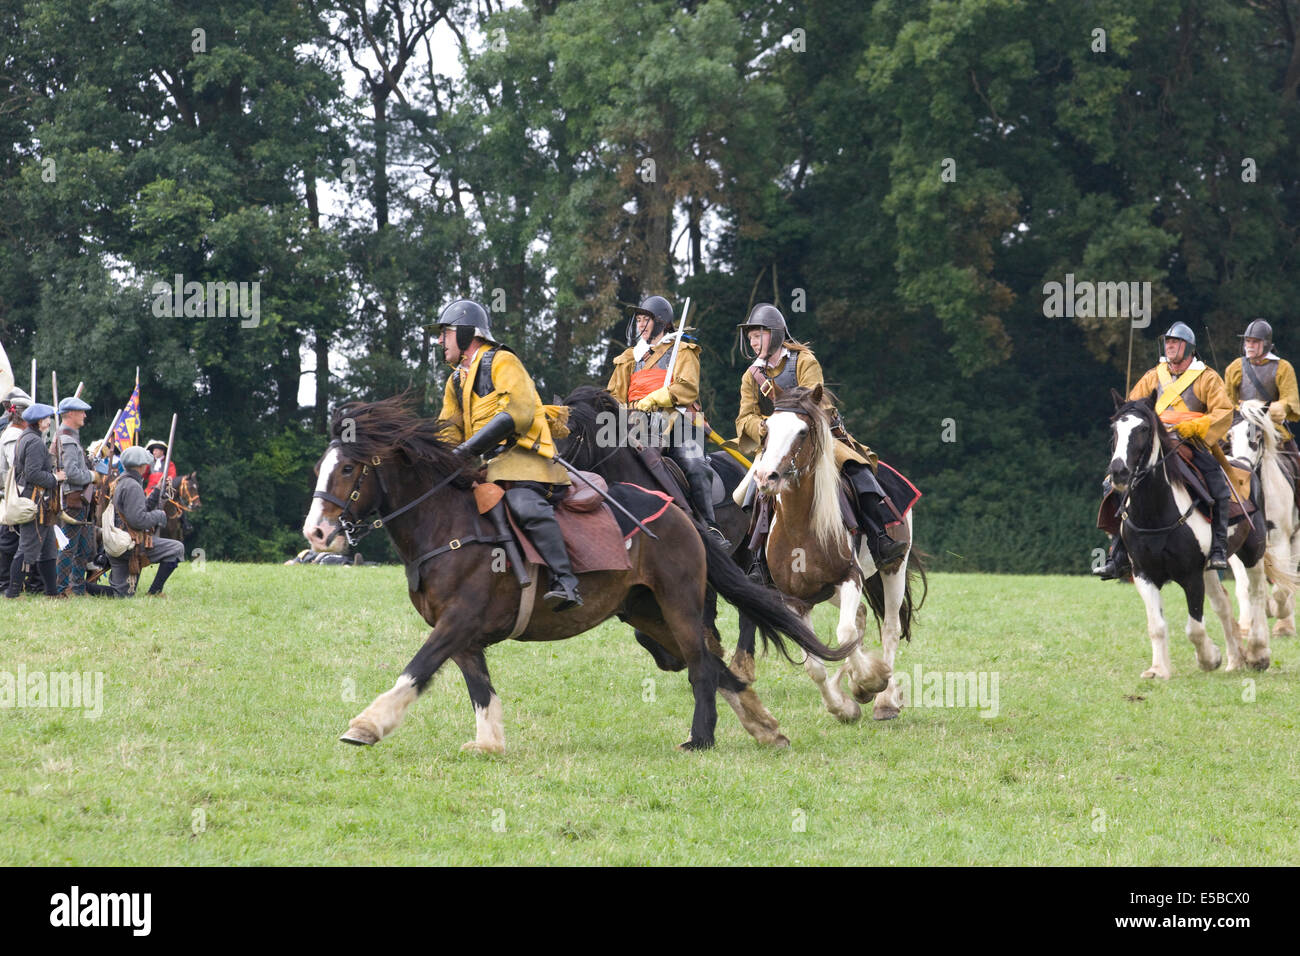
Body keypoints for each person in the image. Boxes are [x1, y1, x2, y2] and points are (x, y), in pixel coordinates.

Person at [431, 298, 582, 610]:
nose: (439, 341)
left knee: (523, 504)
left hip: (530, 465)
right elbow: (448, 430)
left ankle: (566, 581)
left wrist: (466, 450)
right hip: (492, 468)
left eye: (444, 333)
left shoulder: (502, 361)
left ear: (464, 334)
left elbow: (519, 412)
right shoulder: (456, 380)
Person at [735, 303, 908, 568]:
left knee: (856, 468)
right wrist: (766, 428)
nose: (753, 342)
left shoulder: (804, 361)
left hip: (817, 437)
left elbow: (816, 405)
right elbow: (744, 419)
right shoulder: (751, 376)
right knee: (748, 495)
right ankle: (759, 562)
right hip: (775, 446)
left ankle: (879, 538)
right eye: (751, 338)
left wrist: (789, 424)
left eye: (758, 335)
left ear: (776, 334)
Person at [1095, 321, 1234, 579]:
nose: (1169, 346)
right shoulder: (1153, 375)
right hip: (1154, 441)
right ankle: (1118, 554)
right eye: (1167, 342)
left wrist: (1197, 426)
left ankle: (1218, 547)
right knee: (1111, 484)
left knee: (1218, 484)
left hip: (1191, 440)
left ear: (1188, 347)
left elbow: (1224, 412)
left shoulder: (1207, 377)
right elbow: (1133, 407)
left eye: (1175, 342)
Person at [606, 294, 730, 548]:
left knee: (695, 466)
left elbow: (688, 388)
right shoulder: (628, 358)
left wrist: (657, 397)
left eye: (645, 320)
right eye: (638, 320)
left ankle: (710, 527)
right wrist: (623, 412)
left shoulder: (683, 351)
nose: (640, 325)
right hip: (635, 425)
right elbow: (613, 396)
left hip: (679, 422)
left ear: (661, 323)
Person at [4, 403, 66, 598]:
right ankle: (13, 592)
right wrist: (56, 478)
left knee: (48, 550)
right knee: (27, 549)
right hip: (36, 501)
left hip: (41, 502)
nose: (50, 421)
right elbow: (33, 474)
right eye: (47, 418)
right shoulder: (35, 442)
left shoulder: (27, 438)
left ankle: (51, 592)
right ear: (41, 421)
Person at [106, 445, 184, 597]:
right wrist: (160, 515)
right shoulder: (133, 486)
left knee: (122, 594)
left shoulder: (124, 481)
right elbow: (138, 520)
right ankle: (154, 592)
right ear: (141, 466)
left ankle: (83, 588)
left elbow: (141, 508)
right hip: (129, 544)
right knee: (177, 548)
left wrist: (157, 490)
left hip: (121, 540)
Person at [1223, 319, 1300, 464]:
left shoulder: (1283, 367)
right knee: (1215, 460)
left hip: (1271, 425)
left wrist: (1264, 409)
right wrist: (1243, 411)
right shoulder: (1235, 367)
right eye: (1248, 341)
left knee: (1295, 463)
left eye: (1255, 342)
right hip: (1241, 426)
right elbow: (1228, 404)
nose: (1249, 346)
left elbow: (1290, 400)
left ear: (1265, 344)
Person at [54, 396, 100, 596]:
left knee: (83, 548)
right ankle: (61, 589)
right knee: (68, 548)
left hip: (80, 500)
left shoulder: (68, 438)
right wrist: (92, 475)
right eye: (81, 412)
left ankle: (78, 588)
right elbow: (72, 473)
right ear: (70, 414)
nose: (85, 415)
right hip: (73, 500)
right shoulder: (67, 440)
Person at [0, 388, 33, 593]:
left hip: (13, 491)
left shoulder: (16, 433)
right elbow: (17, 466)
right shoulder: (13, 434)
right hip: (9, 492)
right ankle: (5, 584)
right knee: (8, 541)